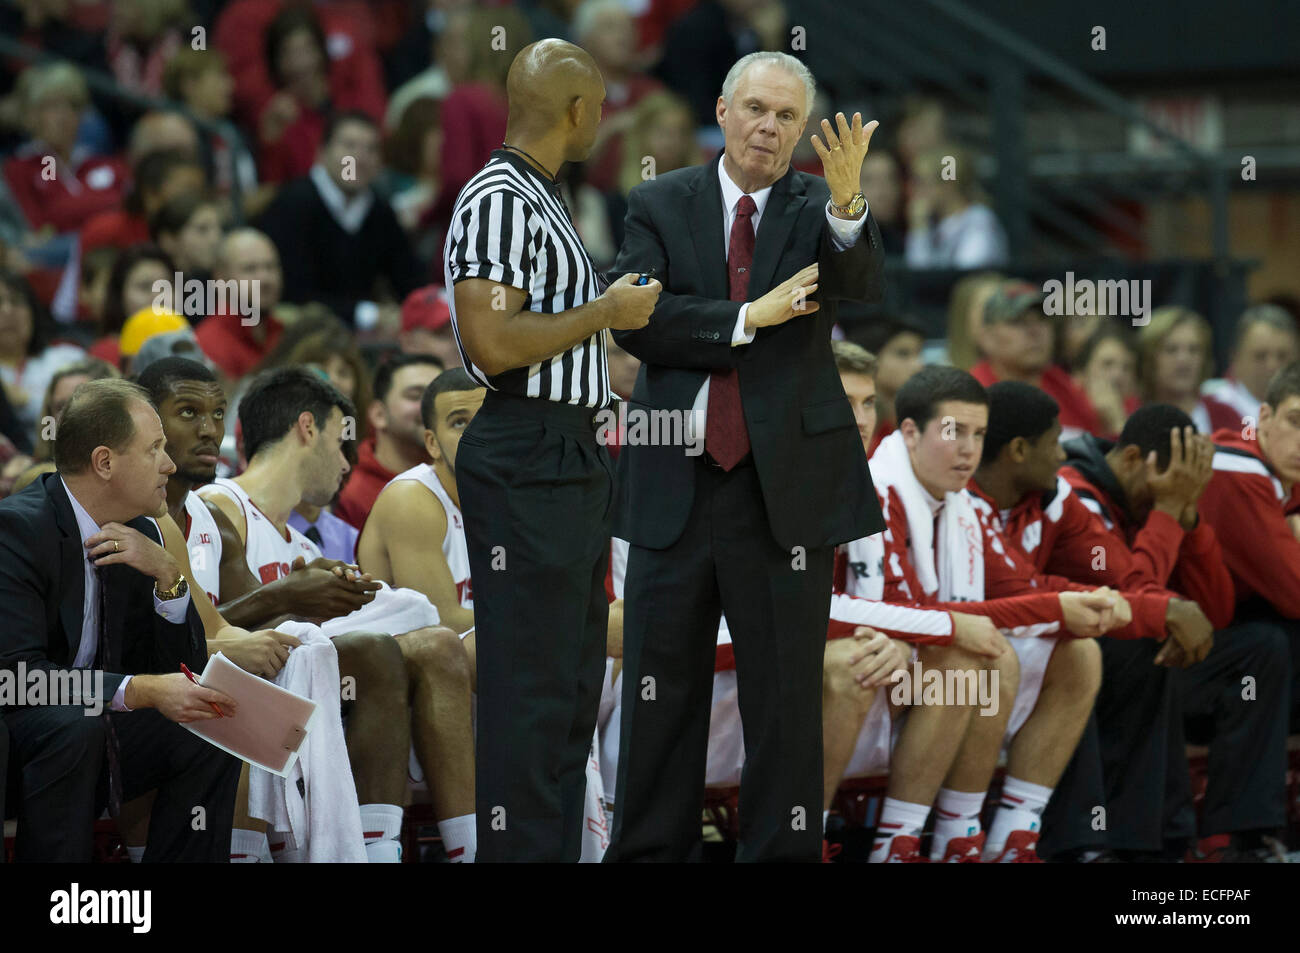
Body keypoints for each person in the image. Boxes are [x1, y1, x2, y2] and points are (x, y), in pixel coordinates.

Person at [605, 50, 885, 863]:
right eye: (756, 108)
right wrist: (745, 316)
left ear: (803, 132)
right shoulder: (660, 200)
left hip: (784, 490)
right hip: (674, 485)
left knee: (785, 701)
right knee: (661, 696)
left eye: (786, 116)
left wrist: (848, 202)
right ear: (722, 112)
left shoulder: (818, 203)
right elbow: (634, 320)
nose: (769, 126)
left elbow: (862, 285)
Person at [445, 38, 661, 862]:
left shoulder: (542, 195)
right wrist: (604, 313)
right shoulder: (499, 197)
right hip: (526, 445)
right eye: (600, 104)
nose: (605, 119)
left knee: (572, 689)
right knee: (533, 691)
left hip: (569, 448)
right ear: (574, 109)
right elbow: (493, 342)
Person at [195, 366, 469, 862]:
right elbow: (202, 637)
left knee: (433, 643)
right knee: (368, 649)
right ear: (308, 427)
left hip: (325, 712)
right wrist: (289, 597)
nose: (348, 464)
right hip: (226, 710)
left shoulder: (303, 544)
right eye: (343, 442)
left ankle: (454, 849)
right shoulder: (217, 505)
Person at [868, 366, 1122, 862]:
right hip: (865, 670)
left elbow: (1019, 588)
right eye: (954, 432)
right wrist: (1056, 606)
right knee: (981, 654)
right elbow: (903, 609)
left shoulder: (963, 502)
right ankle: (899, 844)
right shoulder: (880, 490)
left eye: (979, 434)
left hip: (913, 670)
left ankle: (1006, 836)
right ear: (910, 433)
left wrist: (1097, 604)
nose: (968, 449)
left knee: (1077, 654)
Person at [0, 378, 240, 861]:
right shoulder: (19, 530)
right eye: (155, 449)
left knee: (208, 728)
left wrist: (169, 578)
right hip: (21, 743)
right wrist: (144, 691)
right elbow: (18, 679)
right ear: (105, 462)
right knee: (76, 723)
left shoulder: (142, 532)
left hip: (97, 733)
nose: (169, 465)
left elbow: (181, 671)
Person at [1059, 401, 1291, 860]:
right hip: (1077, 678)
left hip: (1149, 671)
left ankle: (1239, 837)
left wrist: (1189, 518)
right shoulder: (1075, 496)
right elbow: (1129, 594)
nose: (1166, 501)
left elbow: (1217, 612)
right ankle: (1142, 844)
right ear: (1129, 461)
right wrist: (1166, 511)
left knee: (1260, 647)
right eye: (1167, 490)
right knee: (1145, 640)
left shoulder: (1152, 494)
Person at [1200, 361, 1300, 730]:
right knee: (1265, 647)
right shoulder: (1237, 468)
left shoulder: (1284, 473)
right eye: (1295, 421)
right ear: (1264, 417)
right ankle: (1252, 790)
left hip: (1224, 642)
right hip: (1159, 653)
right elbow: (1296, 593)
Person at [258, 111, 422, 331]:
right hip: (302, 334)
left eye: (371, 149)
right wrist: (366, 313)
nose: (360, 158)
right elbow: (293, 294)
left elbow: (409, 278)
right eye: (349, 146)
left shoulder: (380, 210)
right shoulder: (292, 204)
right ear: (322, 152)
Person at [970, 279, 1103, 438]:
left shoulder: (1066, 386)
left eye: (1041, 319)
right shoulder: (971, 396)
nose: (1034, 331)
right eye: (1018, 322)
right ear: (987, 338)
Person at [334, 354, 443, 531]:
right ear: (379, 415)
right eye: (415, 396)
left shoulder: (463, 479)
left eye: (440, 396)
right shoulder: (349, 492)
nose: (431, 406)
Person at [194, 229, 287, 380]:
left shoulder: (284, 333)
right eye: (250, 269)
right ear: (220, 279)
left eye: (270, 267)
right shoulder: (206, 347)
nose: (264, 278)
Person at [1138, 306, 1239, 434]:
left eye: (1193, 350)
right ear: (1150, 358)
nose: (1184, 359)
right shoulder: (1127, 412)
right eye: (1171, 349)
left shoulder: (1226, 416)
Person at [905, 145, 1008, 270]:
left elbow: (966, 274)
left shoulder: (979, 221)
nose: (914, 190)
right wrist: (919, 228)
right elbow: (916, 277)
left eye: (921, 182)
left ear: (948, 184)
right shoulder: (935, 224)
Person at [1202, 303, 1299, 429]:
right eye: (1260, 356)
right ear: (1235, 358)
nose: (1273, 366)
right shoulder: (1209, 410)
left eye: (1282, 356)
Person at [848, 314, 925, 456]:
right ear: (868, 359)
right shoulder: (853, 426)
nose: (917, 365)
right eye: (903, 354)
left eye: (919, 353)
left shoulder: (922, 421)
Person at [1071, 325, 1140, 438]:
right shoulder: (1063, 413)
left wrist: (1118, 423)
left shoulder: (1140, 418)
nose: (1118, 375)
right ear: (1080, 374)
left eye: (1127, 368)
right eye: (1107, 364)